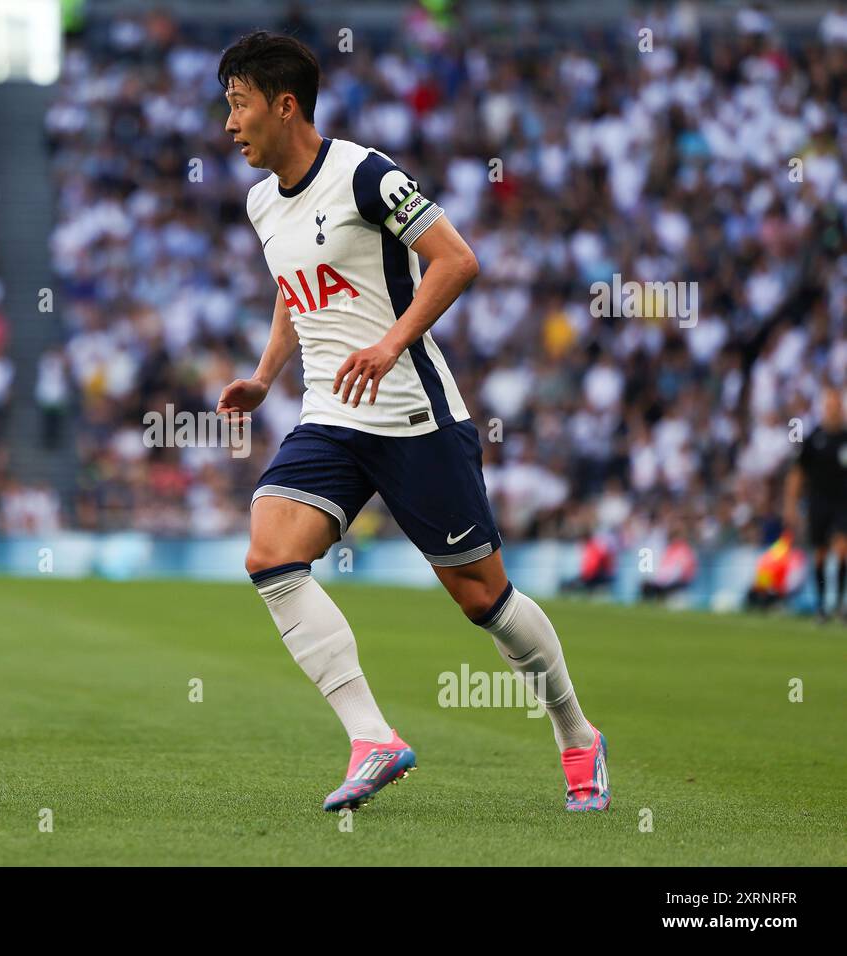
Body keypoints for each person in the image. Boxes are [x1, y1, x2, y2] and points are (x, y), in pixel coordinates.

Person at [214, 31, 609, 812]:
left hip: (416, 415)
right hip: (330, 416)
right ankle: (372, 738)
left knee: (481, 599)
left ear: (283, 105)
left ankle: (576, 734)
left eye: (238, 104)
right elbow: (298, 289)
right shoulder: (262, 201)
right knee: (270, 554)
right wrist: (266, 376)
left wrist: (392, 344)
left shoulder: (366, 175)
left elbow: (457, 258)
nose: (229, 125)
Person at [783, 386, 847, 622]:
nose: (834, 410)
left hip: (843, 503)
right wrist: (791, 503)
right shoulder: (812, 438)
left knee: (842, 550)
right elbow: (797, 473)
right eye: (830, 406)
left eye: (837, 406)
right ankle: (821, 606)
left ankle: (840, 604)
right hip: (818, 502)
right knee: (820, 554)